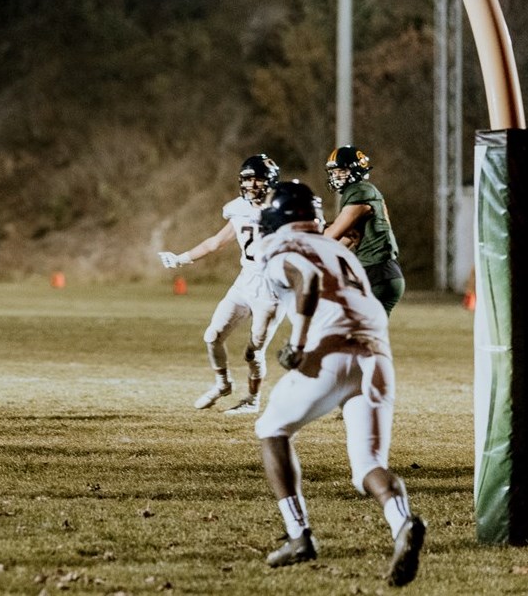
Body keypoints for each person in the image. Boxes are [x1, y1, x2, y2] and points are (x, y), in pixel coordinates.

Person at [252, 180, 426, 587]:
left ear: (277, 218)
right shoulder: (336, 246)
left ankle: (299, 536)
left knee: (270, 429)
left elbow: (308, 279)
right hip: (377, 356)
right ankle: (402, 522)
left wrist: (296, 344)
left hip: (331, 351)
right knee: (368, 465)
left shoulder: (282, 248)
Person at [158, 154, 283, 415]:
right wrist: (181, 258)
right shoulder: (239, 208)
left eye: (256, 180)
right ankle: (223, 384)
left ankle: (252, 399)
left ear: (269, 182)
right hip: (245, 282)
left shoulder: (284, 209)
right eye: (246, 180)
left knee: (254, 352)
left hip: (273, 290)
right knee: (212, 336)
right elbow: (215, 242)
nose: (250, 186)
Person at [323, 146, 404, 314]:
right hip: (383, 272)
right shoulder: (363, 192)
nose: (336, 176)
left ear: (356, 170)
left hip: (377, 272)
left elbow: (330, 236)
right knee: (367, 337)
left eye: (342, 171)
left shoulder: (359, 191)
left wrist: (305, 235)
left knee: (339, 324)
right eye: (334, 172)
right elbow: (348, 238)